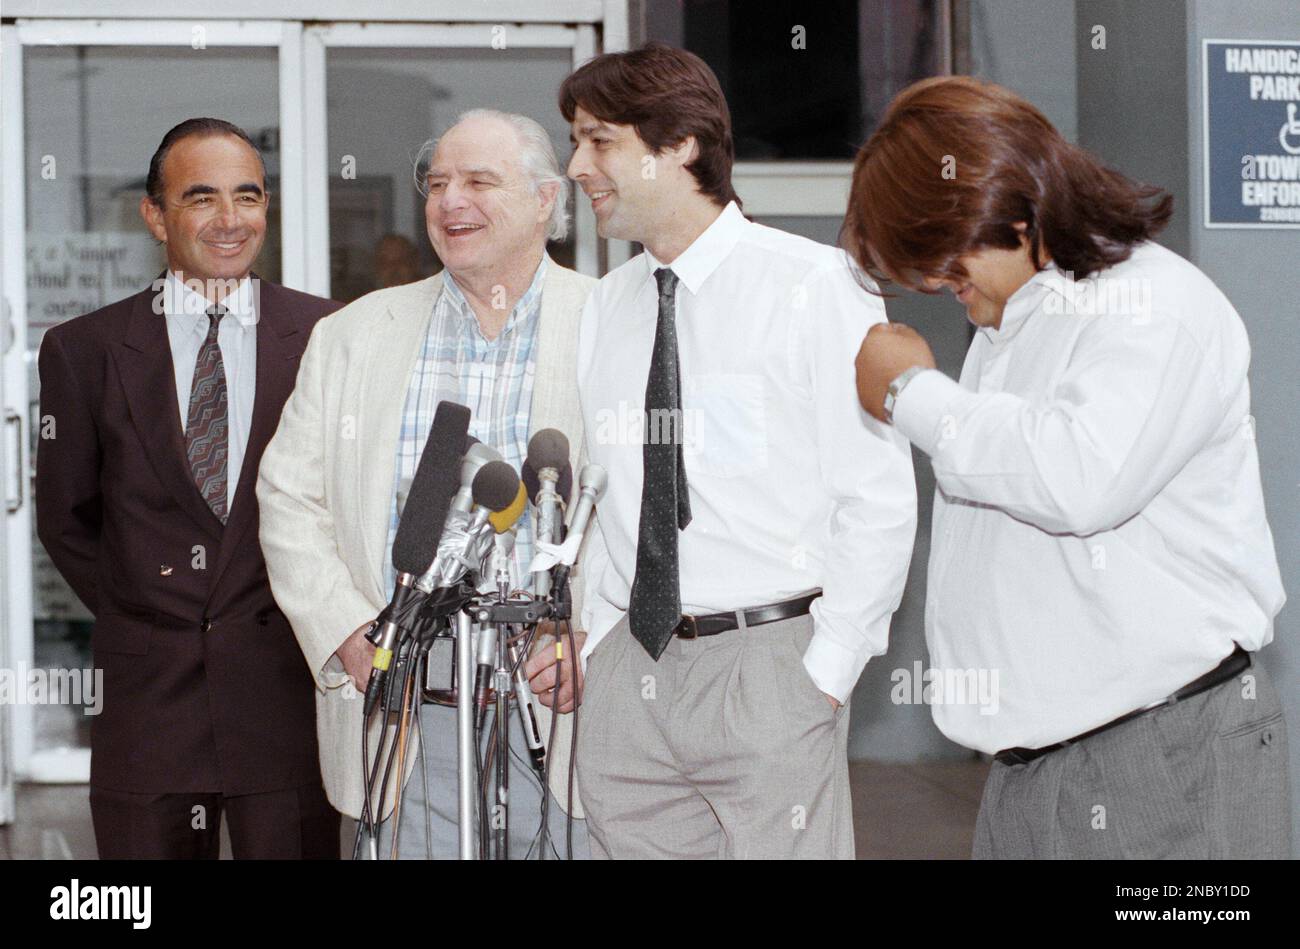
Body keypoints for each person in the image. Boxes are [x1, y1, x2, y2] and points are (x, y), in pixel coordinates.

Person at [849, 76, 1290, 859]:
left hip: (1161, 758)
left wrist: (912, 395)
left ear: (1011, 212)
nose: (937, 286)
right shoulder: (1013, 326)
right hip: (1031, 775)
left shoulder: (1156, 306)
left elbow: (1076, 477)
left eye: (949, 262)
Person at [560, 43, 917, 859]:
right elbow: (611, 497)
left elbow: (879, 496)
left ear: (679, 143)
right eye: (575, 141)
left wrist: (824, 672)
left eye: (599, 139)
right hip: (630, 676)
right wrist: (597, 641)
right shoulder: (606, 307)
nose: (577, 165)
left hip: (771, 667)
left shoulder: (821, 285)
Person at [258, 109, 596, 858]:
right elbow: (288, 498)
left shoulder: (609, 321)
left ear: (546, 199)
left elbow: (646, 509)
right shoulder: (352, 335)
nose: (449, 201)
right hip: (405, 695)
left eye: (479, 181)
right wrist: (345, 630)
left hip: (566, 706)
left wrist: (589, 637)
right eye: (437, 183)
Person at [35, 118, 341, 859]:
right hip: (147, 709)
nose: (230, 219)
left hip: (285, 701)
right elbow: (67, 520)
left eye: (249, 195)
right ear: (154, 214)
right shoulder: (84, 350)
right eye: (201, 197)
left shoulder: (327, 334)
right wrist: (144, 606)